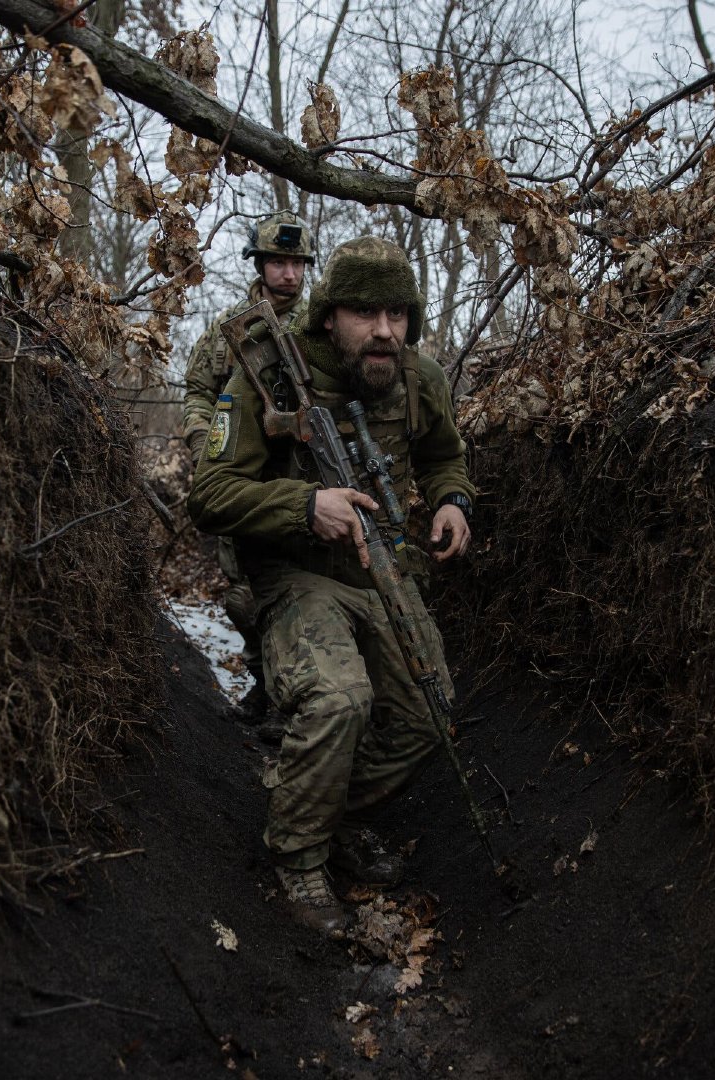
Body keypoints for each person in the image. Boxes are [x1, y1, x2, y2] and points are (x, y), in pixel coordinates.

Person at [187, 236, 474, 933]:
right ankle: (300, 855)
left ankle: (324, 809)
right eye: (364, 312)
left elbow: (444, 455)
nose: (384, 331)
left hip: (383, 569)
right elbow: (210, 493)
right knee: (340, 700)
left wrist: (451, 501)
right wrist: (303, 506)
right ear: (327, 316)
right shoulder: (270, 378)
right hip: (295, 573)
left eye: (398, 314)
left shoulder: (419, 378)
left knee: (428, 716)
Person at [182, 211, 314, 725]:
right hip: (244, 483)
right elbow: (198, 392)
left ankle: (298, 699)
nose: (289, 274)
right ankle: (265, 684)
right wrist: (205, 444)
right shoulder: (229, 330)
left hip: (305, 483)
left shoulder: (321, 324)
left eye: (297, 263)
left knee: (300, 591)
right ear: (260, 264)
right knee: (246, 594)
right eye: (278, 262)